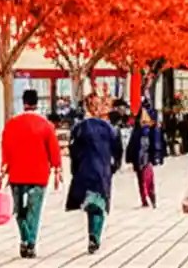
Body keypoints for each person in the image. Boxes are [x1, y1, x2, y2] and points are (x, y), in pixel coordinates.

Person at [0, 89, 63, 259]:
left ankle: (24, 238)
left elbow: (6, 148)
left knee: (19, 211)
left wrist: (4, 168)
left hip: (17, 174)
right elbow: (54, 150)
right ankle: (31, 243)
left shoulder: (12, 124)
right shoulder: (46, 125)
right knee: (34, 211)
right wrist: (57, 168)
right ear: (37, 103)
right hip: (39, 175)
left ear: (24, 103)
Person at [66, 93, 122, 255]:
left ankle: (93, 235)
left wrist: (75, 169)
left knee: (91, 204)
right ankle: (94, 236)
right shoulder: (109, 129)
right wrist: (114, 166)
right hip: (102, 171)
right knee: (99, 205)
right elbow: (118, 151)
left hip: (84, 171)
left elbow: (73, 151)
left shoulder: (79, 128)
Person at [127, 109, 165, 208]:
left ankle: (150, 198)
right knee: (141, 179)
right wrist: (129, 157)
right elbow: (132, 144)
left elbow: (157, 144)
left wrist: (157, 156)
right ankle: (145, 199)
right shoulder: (138, 130)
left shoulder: (152, 130)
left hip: (146, 158)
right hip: (139, 158)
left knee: (147, 179)